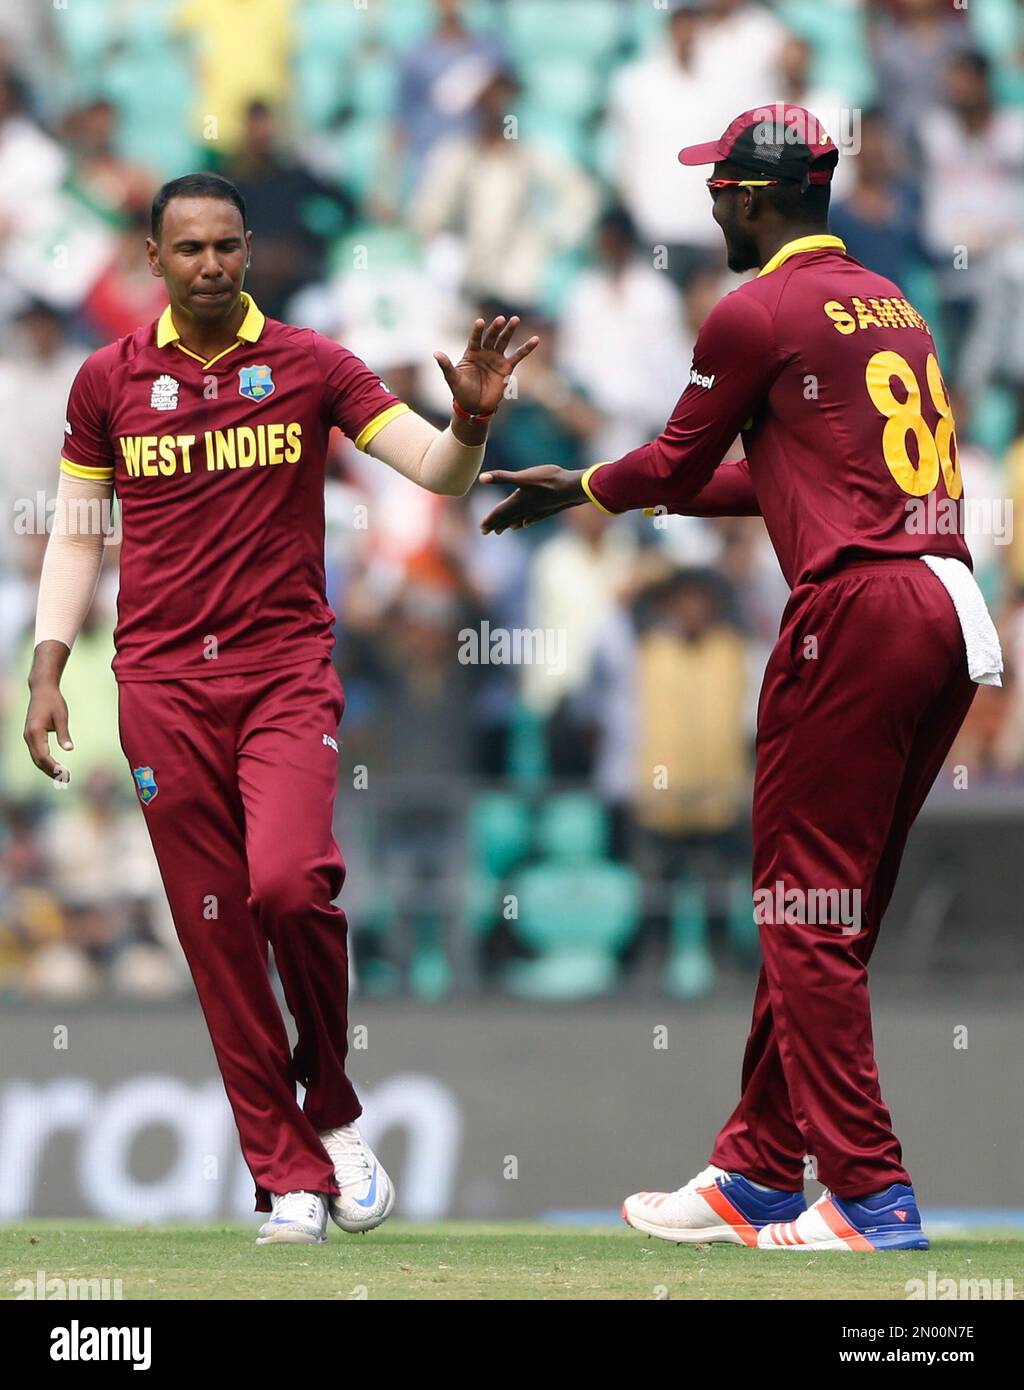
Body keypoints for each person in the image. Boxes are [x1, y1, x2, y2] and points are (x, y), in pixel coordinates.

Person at [480, 106, 1003, 1252]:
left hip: (855, 612)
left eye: (719, 186)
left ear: (754, 201)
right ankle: (759, 1172)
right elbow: (773, 481)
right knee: (829, 904)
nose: (709, 202)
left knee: (797, 906)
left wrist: (590, 490)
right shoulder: (890, 301)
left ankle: (869, 1192)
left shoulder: (754, 307)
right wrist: (595, 485)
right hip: (945, 606)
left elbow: (677, 459)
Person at [24, 172, 537, 1247]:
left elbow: (436, 475)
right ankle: (287, 1176)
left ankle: (333, 1105)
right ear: (154, 261)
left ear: (248, 250)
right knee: (215, 938)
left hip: (280, 673)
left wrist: (475, 419)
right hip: (159, 685)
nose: (210, 264)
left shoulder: (313, 366)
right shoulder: (105, 381)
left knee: (290, 887)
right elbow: (77, 534)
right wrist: (47, 665)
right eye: (189, 249)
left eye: (226, 246)